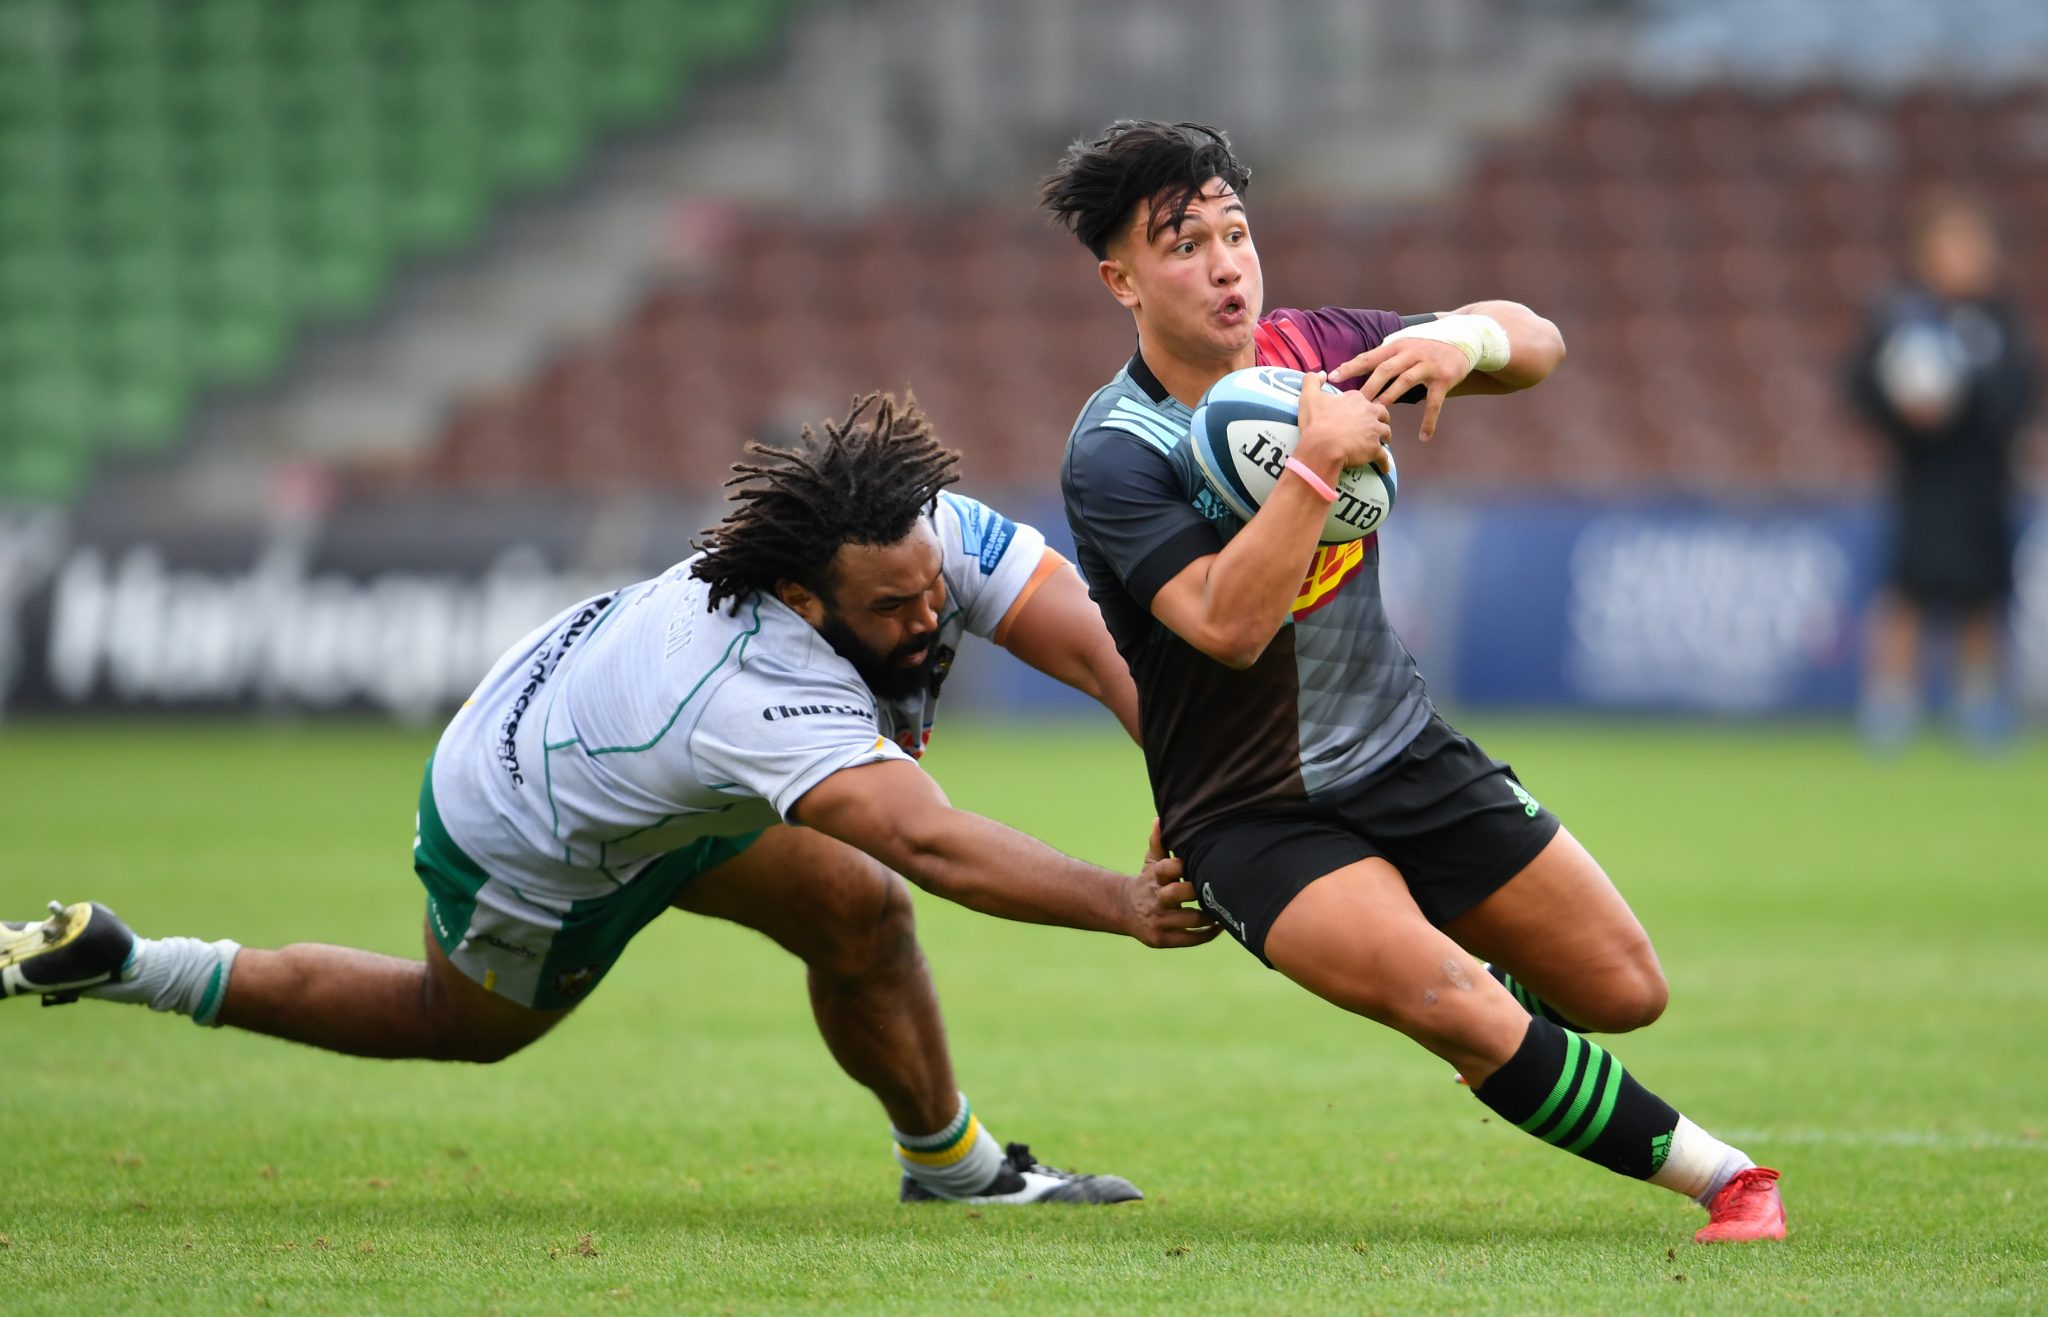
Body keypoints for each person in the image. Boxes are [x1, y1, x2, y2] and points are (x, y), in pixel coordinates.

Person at [1, 392, 1216, 1205]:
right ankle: (133, 961)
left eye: (927, 593)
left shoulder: (899, 530)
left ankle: (954, 1172)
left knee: (859, 918)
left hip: (639, 759)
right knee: (457, 1025)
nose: (924, 618)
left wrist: (1179, 771)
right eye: (891, 611)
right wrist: (1123, 904)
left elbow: (1089, 635)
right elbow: (932, 841)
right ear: (802, 601)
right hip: (528, 829)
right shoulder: (750, 688)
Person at [1039, 119, 1785, 1243]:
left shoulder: (1317, 347)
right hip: (1248, 812)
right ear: (1120, 282)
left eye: (1233, 233)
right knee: (1457, 1006)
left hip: (1400, 748)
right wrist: (1315, 459)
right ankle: (1727, 1181)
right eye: (1182, 244)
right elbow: (1226, 629)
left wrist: (1464, 345)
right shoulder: (1115, 450)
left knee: (1623, 991)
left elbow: (1538, 339)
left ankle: (1491, 1014)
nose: (1224, 263)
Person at [1844, 192, 2040, 752]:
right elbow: (1858, 388)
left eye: (1974, 246)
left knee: (1982, 596)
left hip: (1984, 485)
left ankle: (1979, 705)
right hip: (1921, 486)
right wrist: (1902, 406)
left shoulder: (2001, 323)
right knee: (1908, 592)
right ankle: (1890, 707)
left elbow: (2021, 394)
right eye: (1952, 246)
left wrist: (1966, 399)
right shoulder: (1902, 316)